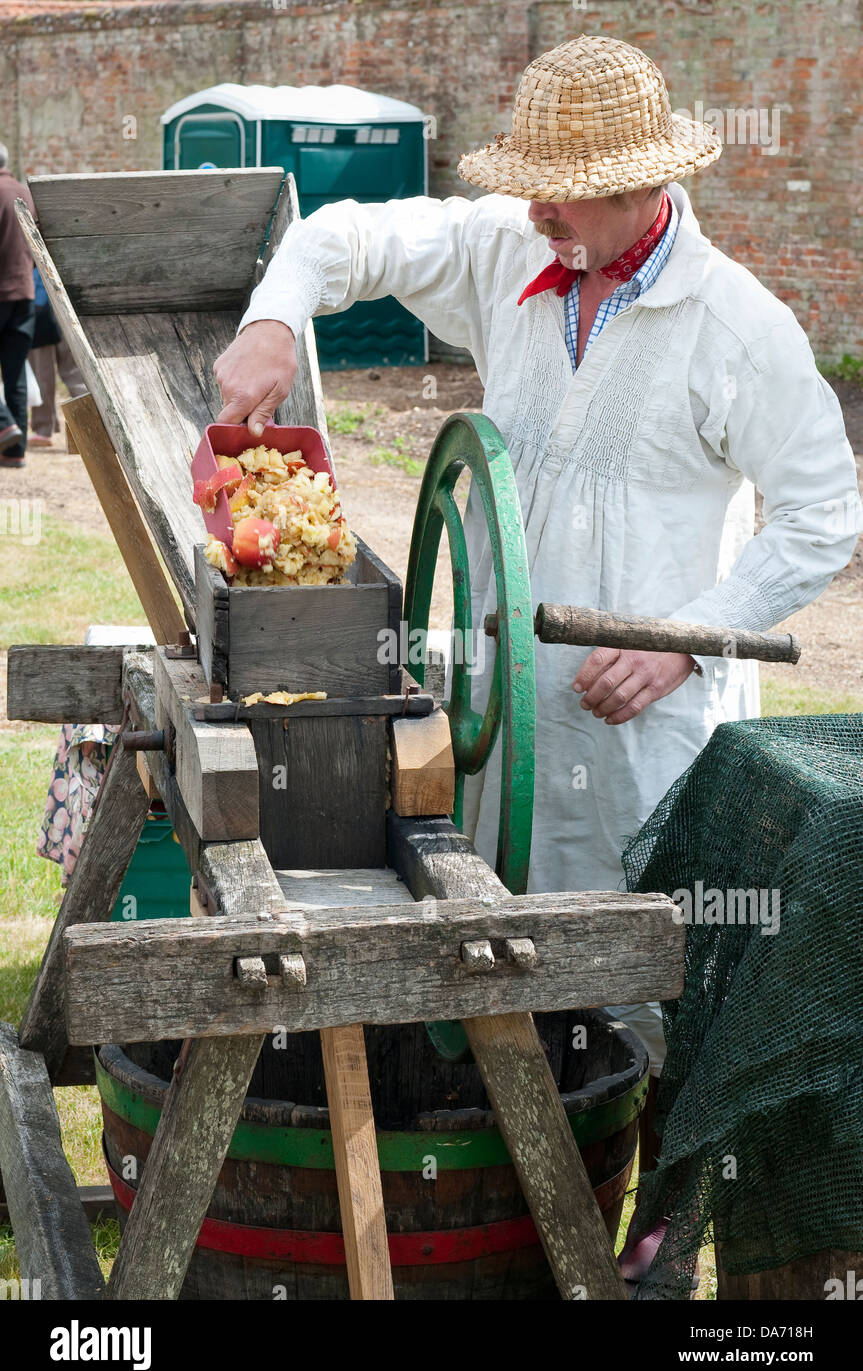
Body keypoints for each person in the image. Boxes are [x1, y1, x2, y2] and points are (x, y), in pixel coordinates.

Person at [212, 35, 861, 1281]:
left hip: (642, 740)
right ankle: (514, 1239)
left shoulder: (734, 323)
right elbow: (336, 235)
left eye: (563, 191)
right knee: (495, 968)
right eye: (533, 186)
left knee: (639, 996)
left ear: (641, 186)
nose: (537, 208)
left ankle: (657, 1241)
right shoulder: (512, 245)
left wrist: (686, 642)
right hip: (495, 722)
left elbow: (822, 515)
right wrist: (274, 321)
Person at [0, 141, 36, 466]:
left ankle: (3, 424)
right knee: (16, 375)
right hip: (25, 294)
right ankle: (15, 452)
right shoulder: (24, 192)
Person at [28, 268, 85, 446]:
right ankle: (94, 423)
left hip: (38, 313)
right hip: (66, 309)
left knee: (41, 374)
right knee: (75, 374)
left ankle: (43, 430)